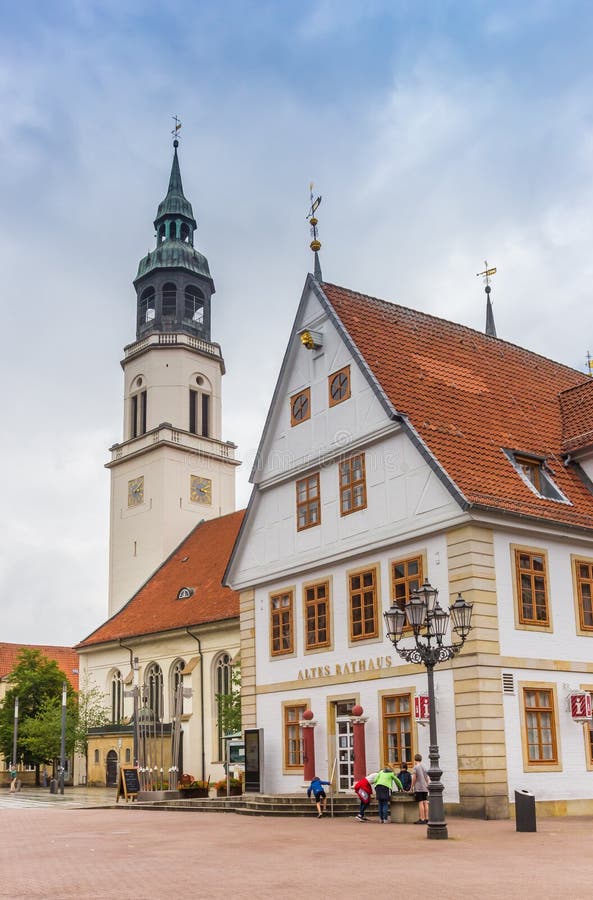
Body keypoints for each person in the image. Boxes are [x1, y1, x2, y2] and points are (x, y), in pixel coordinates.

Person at [411, 753, 430, 824]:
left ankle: (422, 819)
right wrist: (427, 785)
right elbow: (427, 778)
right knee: (425, 802)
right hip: (425, 787)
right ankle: (427, 818)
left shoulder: (416, 767)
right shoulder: (424, 767)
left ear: (415, 759)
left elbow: (414, 778)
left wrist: (411, 786)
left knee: (420, 802)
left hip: (419, 787)